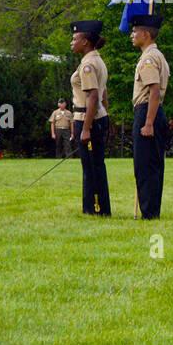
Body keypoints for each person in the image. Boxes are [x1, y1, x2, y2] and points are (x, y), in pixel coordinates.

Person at [129, 13, 170, 220]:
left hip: (148, 111)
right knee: (152, 164)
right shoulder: (157, 55)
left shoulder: (148, 59)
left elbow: (153, 91)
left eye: (135, 31)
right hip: (153, 111)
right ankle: (151, 210)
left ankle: (149, 212)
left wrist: (148, 123)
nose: (132, 35)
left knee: (145, 165)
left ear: (146, 34)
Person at [68, 19, 111, 216]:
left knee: (92, 167)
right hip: (97, 117)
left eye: (75, 39)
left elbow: (93, 95)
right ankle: (96, 208)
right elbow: (104, 94)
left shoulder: (88, 65)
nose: (72, 42)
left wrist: (86, 128)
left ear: (85, 42)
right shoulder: (96, 60)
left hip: (87, 118)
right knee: (94, 165)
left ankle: (95, 208)